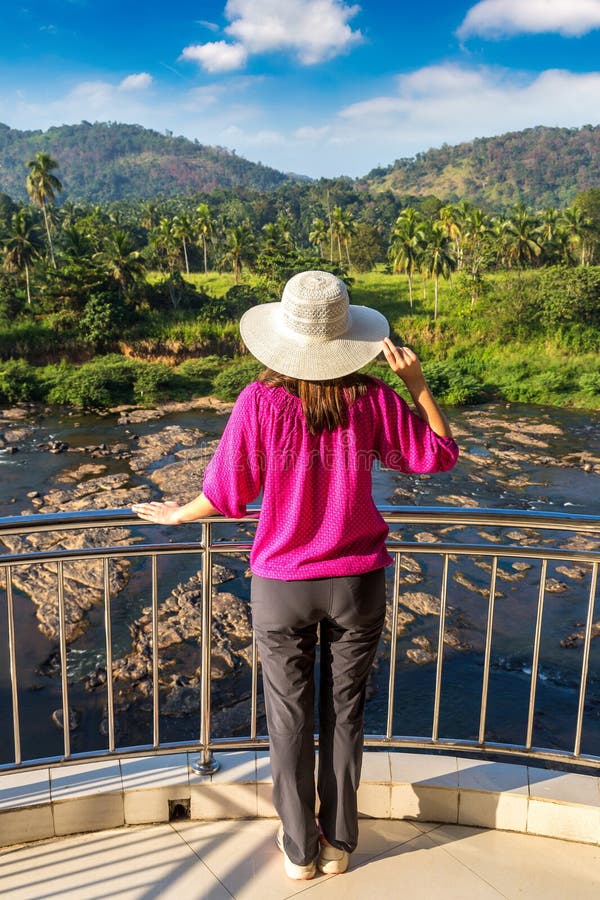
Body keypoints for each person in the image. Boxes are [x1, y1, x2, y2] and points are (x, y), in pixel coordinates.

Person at [133, 270, 459, 880]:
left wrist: (177, 513)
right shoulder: (372, 398)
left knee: (288, 719)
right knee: (345, 715)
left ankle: (299, 850)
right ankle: (339, 845)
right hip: (357, 580)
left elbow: (226, 492)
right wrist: (416, 385)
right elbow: (438, 455)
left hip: (282, 583)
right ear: (347, 338)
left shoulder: (260, 401)